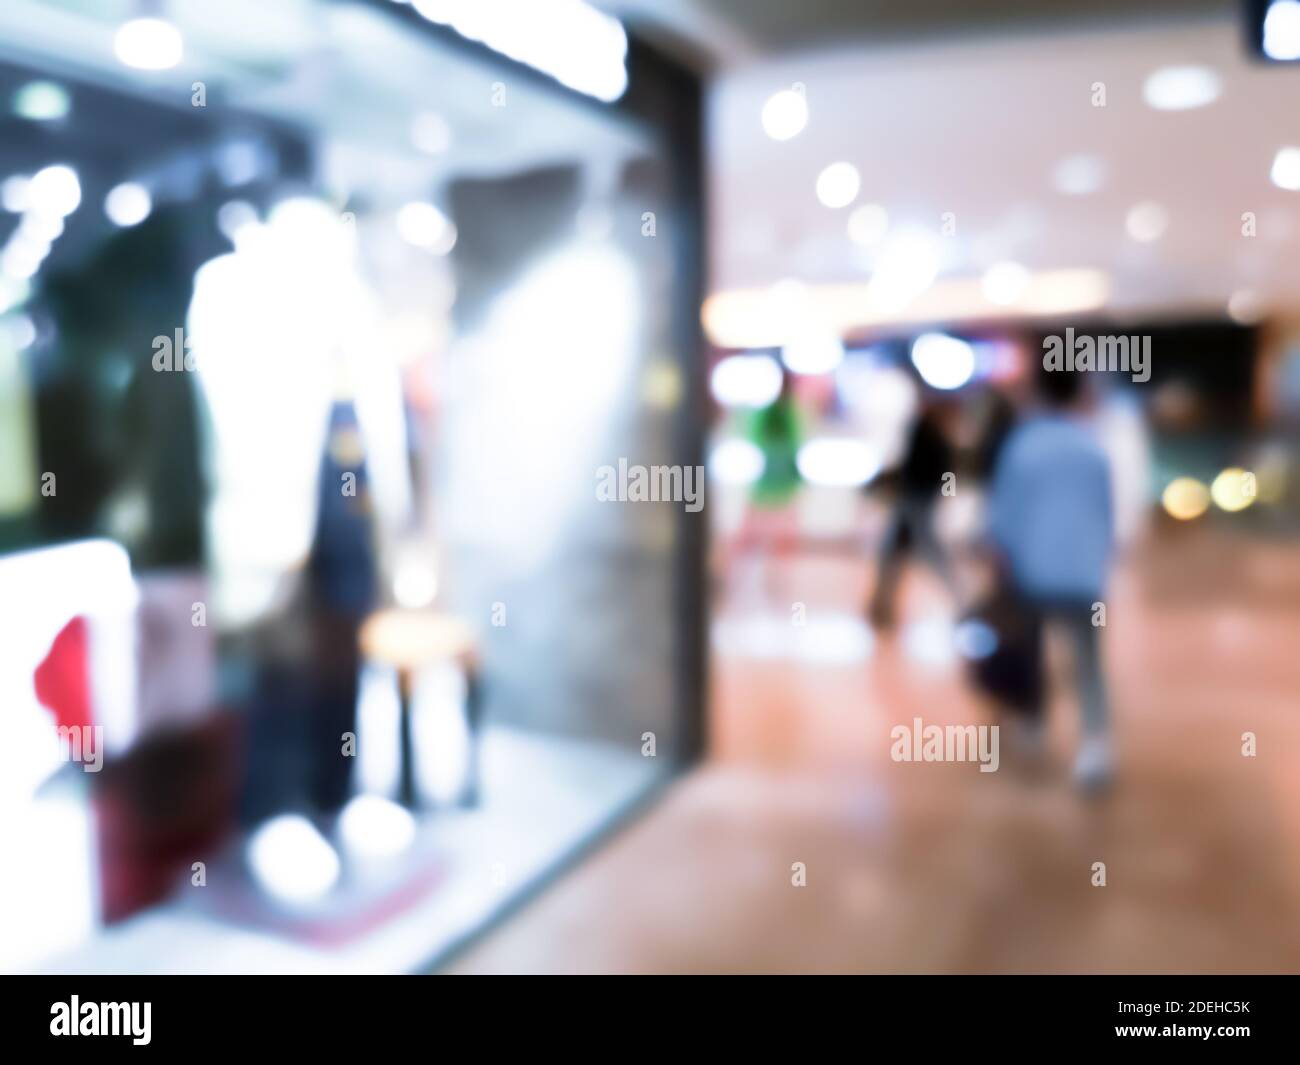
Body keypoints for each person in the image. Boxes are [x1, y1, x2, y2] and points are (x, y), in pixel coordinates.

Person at [987, 367, 1114, 791]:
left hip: (1033, 572)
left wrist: (1001, 558)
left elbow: (1003, 516)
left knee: (1032, 650)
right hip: (1083, 574)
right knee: (1088, 663)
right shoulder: (1090, 447)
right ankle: (1094, 746)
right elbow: (1106, 515)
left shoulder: (1022, 447)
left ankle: (1034, 724)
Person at [868, 399, 958, 627]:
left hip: (913, 502)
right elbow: (941, 473)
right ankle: (880, 607)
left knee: (914, 553)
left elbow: (922, 469)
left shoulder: (928, 434)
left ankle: (960, 599)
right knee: (904, 553)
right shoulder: (934, 435)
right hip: (915, 502)